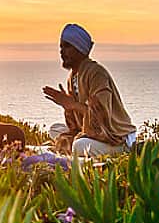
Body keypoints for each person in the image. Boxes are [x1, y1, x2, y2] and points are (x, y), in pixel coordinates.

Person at [42, 23, 137, 156]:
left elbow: (102, 118)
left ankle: (125, 150)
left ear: (79, 49)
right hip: (90, 134)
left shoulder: (97, 73)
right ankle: (71, 147)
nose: (62, 51)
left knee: (79, 146)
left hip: (115, 137)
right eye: (61, 47)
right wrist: (68, 108)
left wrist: (72, 105)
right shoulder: (73, 77)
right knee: (55, 129)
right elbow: (77, 124)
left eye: (67, 46)